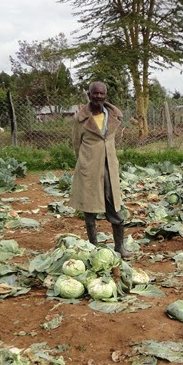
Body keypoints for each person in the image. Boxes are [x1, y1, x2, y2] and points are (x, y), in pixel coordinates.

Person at [69, 81, 131, 259]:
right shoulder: (80, 119)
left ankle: (120, 247)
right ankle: (93, 248)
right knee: (90, 210)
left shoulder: (113, 115)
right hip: (89, 167)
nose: (98, 96)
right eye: (94, 93)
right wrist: (84, 164)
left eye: (101, 94)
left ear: (105, 96)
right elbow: (76, 145)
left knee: (114, 206)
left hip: (109, 168)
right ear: (89, 95)